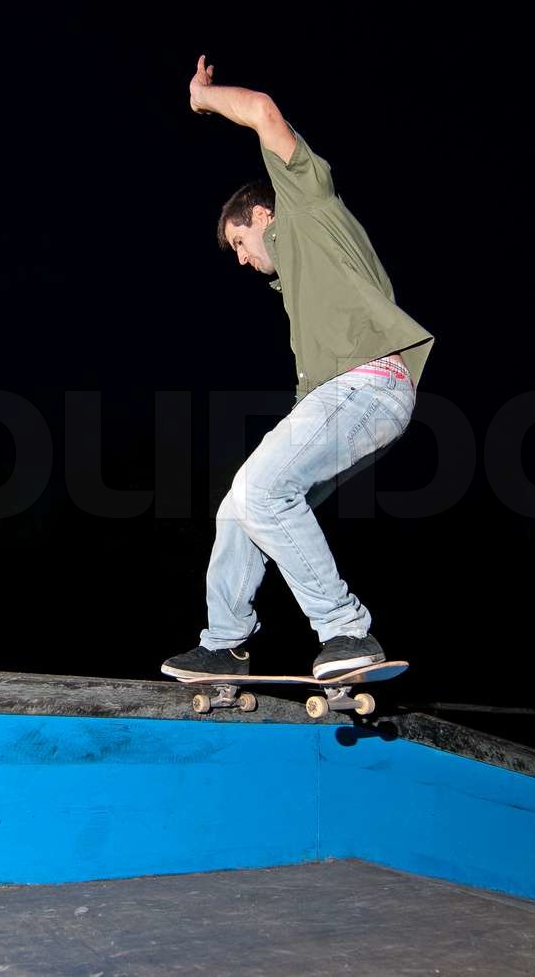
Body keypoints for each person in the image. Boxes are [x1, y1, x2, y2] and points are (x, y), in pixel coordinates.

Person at [161, 55, 434, 683]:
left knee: (263, 490)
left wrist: (203, 97)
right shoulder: (300, 275)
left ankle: (345, 630)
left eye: (238, 242)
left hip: (366, 386)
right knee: (242, 504)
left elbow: (262, 111)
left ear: (261, 215)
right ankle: (224, 644)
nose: (240, 260)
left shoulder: (304, 207)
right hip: (350, 398)